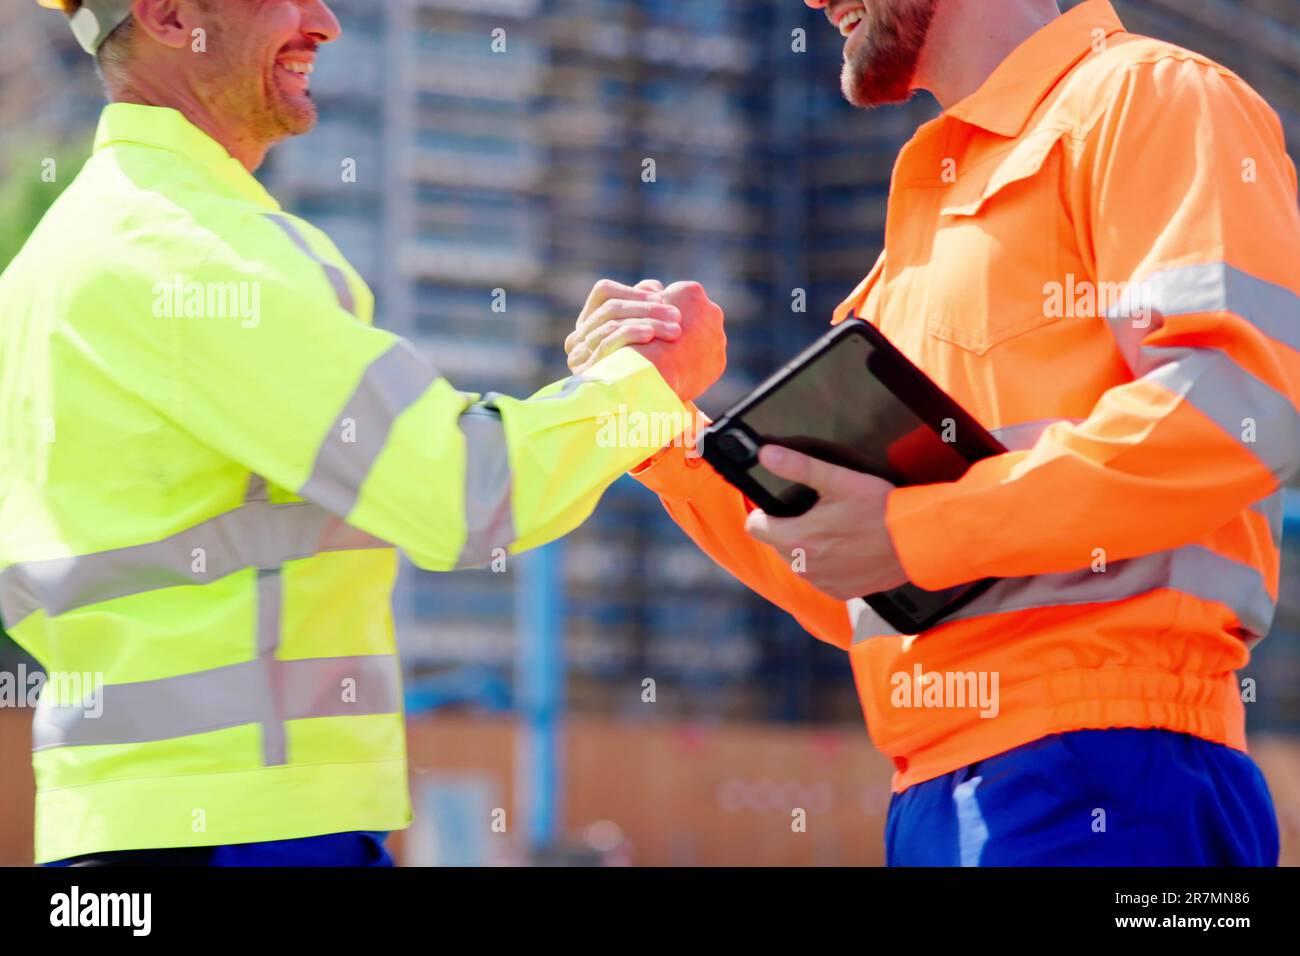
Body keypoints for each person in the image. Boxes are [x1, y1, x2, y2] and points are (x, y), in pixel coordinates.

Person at [570, 0, 1300, 865]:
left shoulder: (1151, 99)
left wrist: (914, 532)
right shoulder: (909, 253)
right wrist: (664, 429)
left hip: (1113, 768)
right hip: (938, 792)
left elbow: (1239, 411)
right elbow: (858, 585)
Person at [2, 0, 725, 866]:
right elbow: (464, 493)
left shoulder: (50, 265)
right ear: (165, 16)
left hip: (109, 831)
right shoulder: (199, 253)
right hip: (253, 832)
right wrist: (650, 385)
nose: (325, 22)